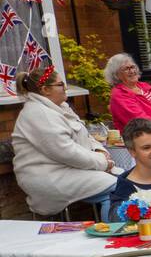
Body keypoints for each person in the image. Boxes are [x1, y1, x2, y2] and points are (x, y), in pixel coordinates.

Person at [10, 66, 118, 218]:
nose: (65, 88)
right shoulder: (38, 113)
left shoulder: (60, 108)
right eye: (60, 84)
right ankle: (114, 236)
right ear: (45, 90)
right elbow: (66, 152)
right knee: (118, 187)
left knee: (128, 180)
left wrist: (99, 151)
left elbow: (85, 136)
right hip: (50, 178)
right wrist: (103, 163)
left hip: (70, 170)